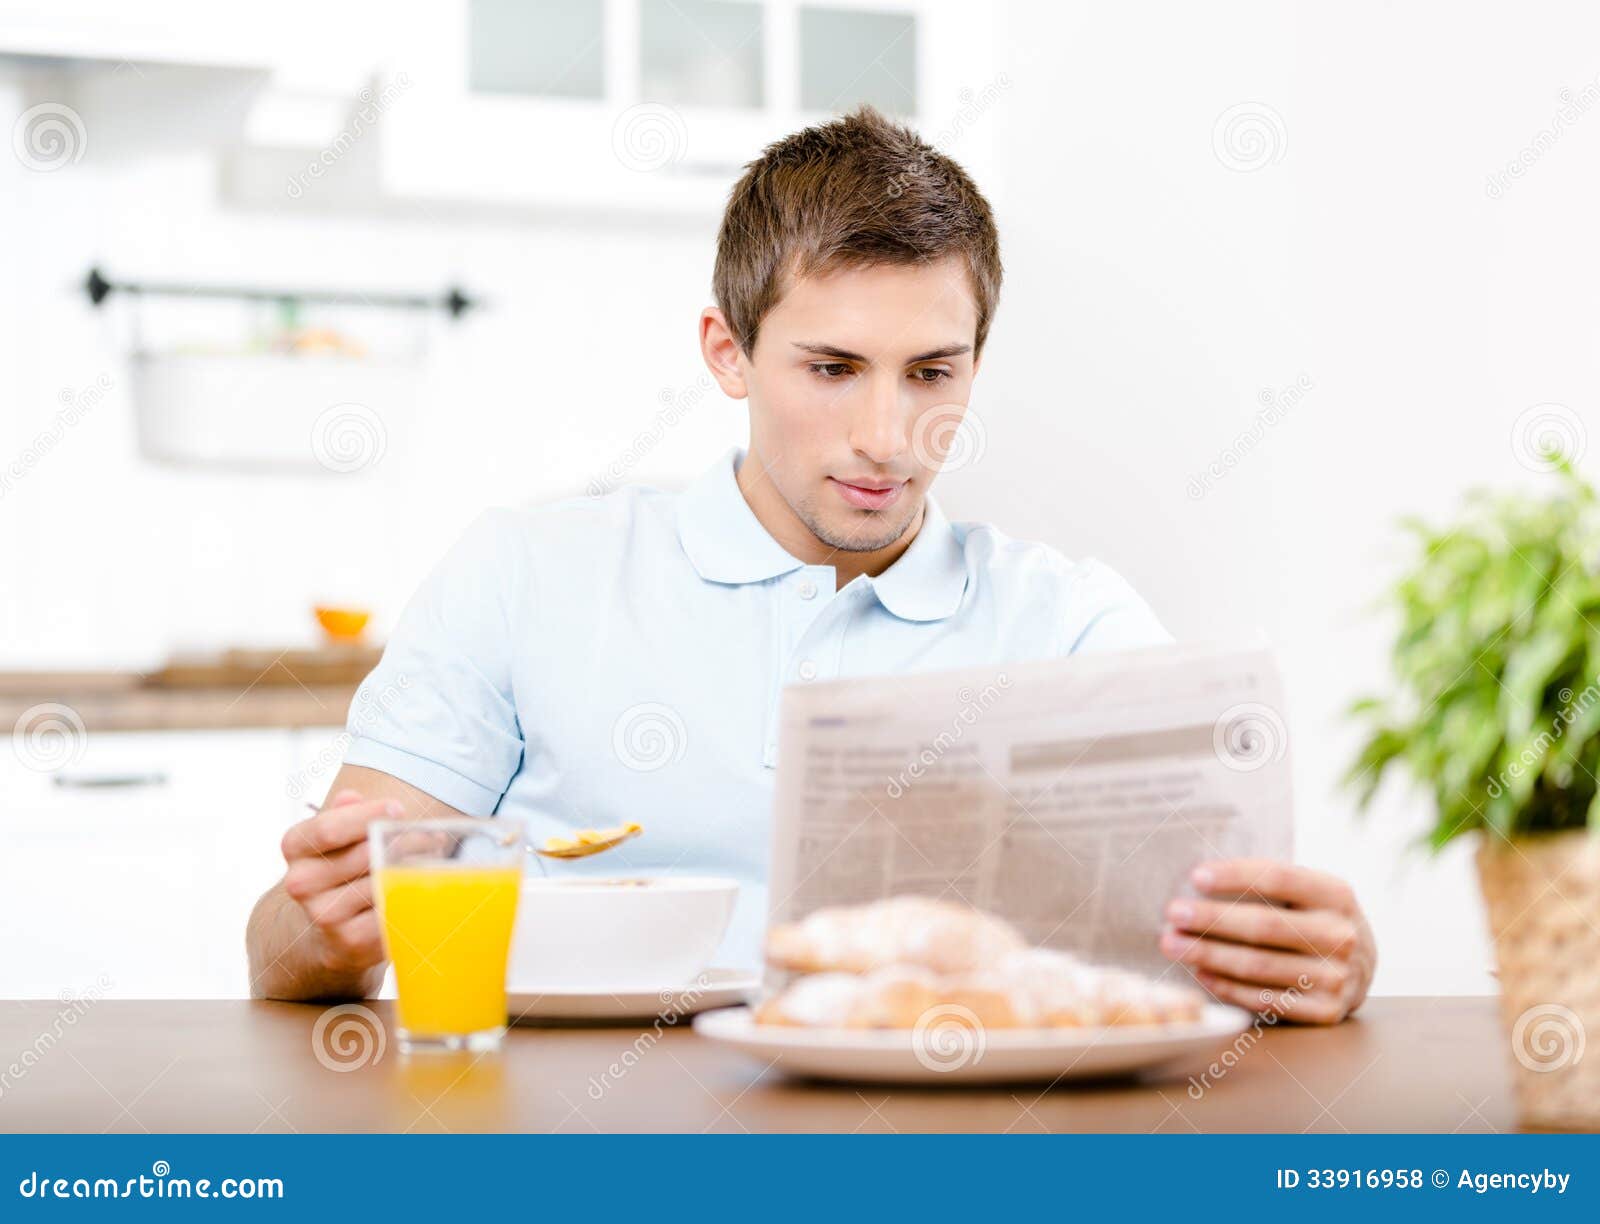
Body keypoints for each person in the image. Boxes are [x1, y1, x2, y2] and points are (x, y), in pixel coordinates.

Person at [247, 105, 1375, 1024]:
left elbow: (1209, 945)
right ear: (726, 354)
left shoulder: (1069, 623)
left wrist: (1315, 957)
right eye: (832, 369)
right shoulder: (524, 574)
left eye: (933, 373)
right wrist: (328, 925)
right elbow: (284, 953)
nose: (888, 435)